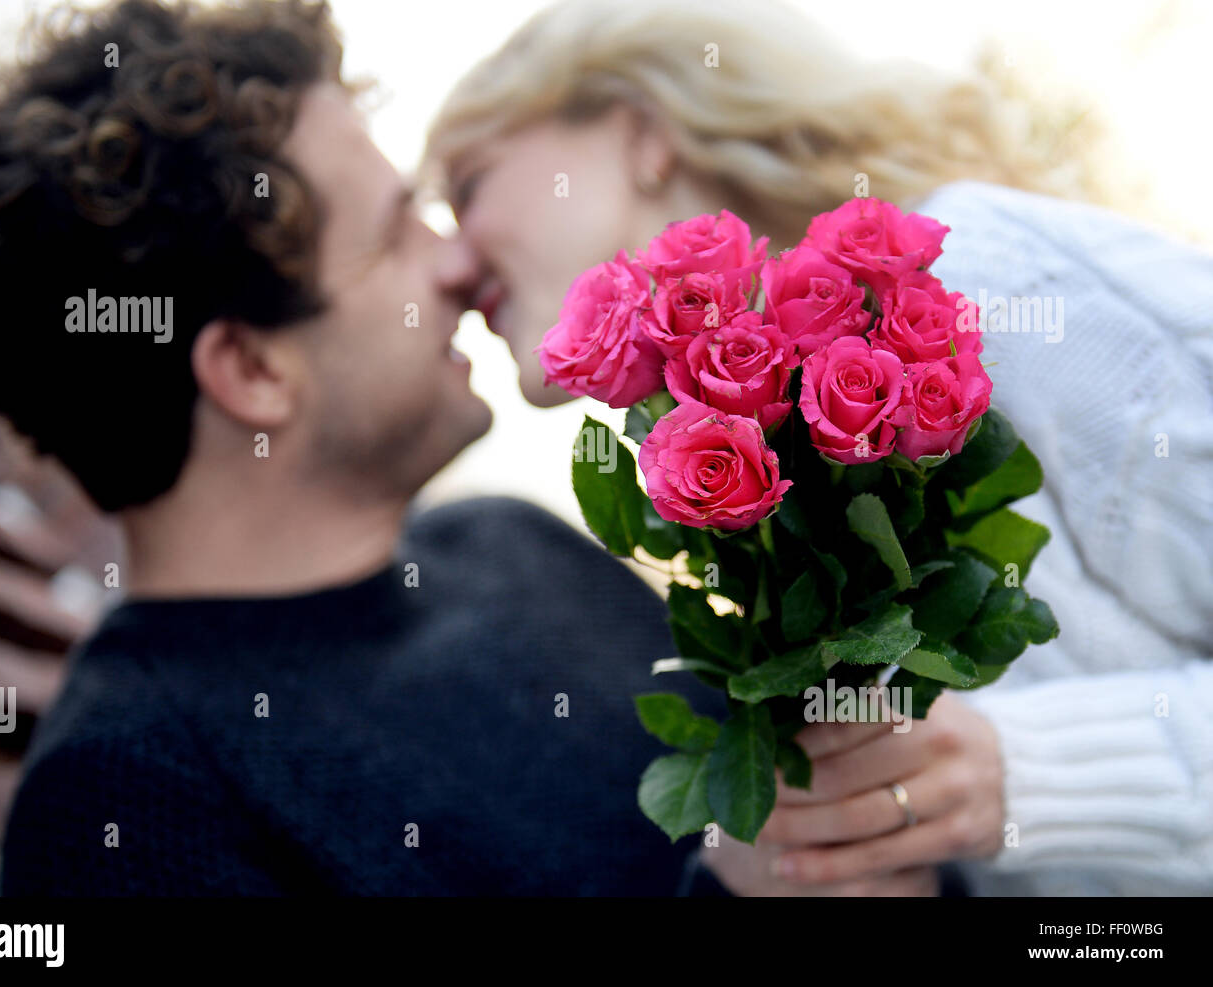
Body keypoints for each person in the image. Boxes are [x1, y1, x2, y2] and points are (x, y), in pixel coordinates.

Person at [0, 0, 729, 895]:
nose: (459, 263)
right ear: (253, 369)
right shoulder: (129, 805)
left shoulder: (515, 545)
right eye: (393, 235)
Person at [422, 0, 1213, 895]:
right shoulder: (762, 521)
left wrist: (1020, 776)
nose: (451, 265)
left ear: (640, 132)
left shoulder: (991, 282)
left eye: (469, 185)